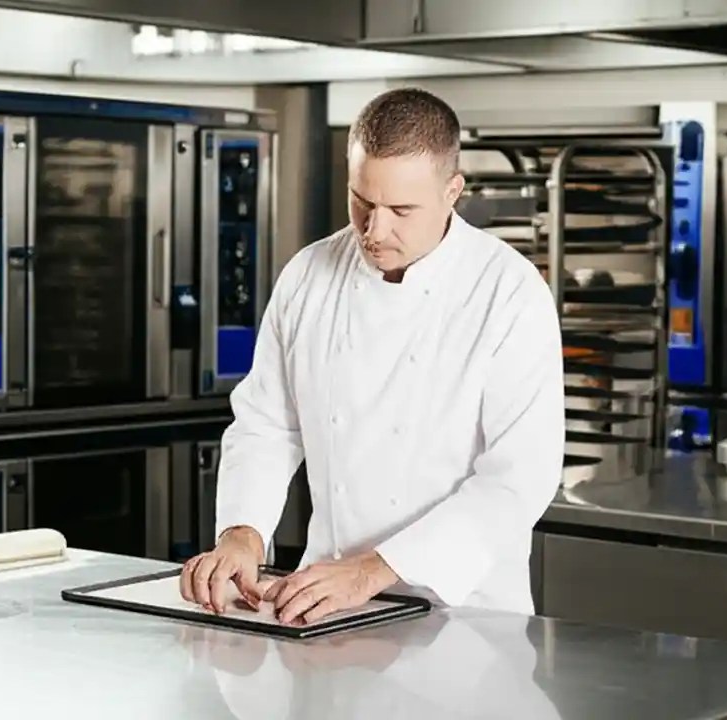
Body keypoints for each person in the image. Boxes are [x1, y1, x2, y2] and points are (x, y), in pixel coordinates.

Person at [180, 87, 564, 624]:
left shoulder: (508, 292)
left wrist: (372, 570)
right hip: (322, 606)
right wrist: (243, 533)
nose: (374, 231)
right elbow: (267, 425)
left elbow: (518, 479)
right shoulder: (309, 275)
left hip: (465, 622)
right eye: (362, 202)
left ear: (453, 190)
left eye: (402, 210)